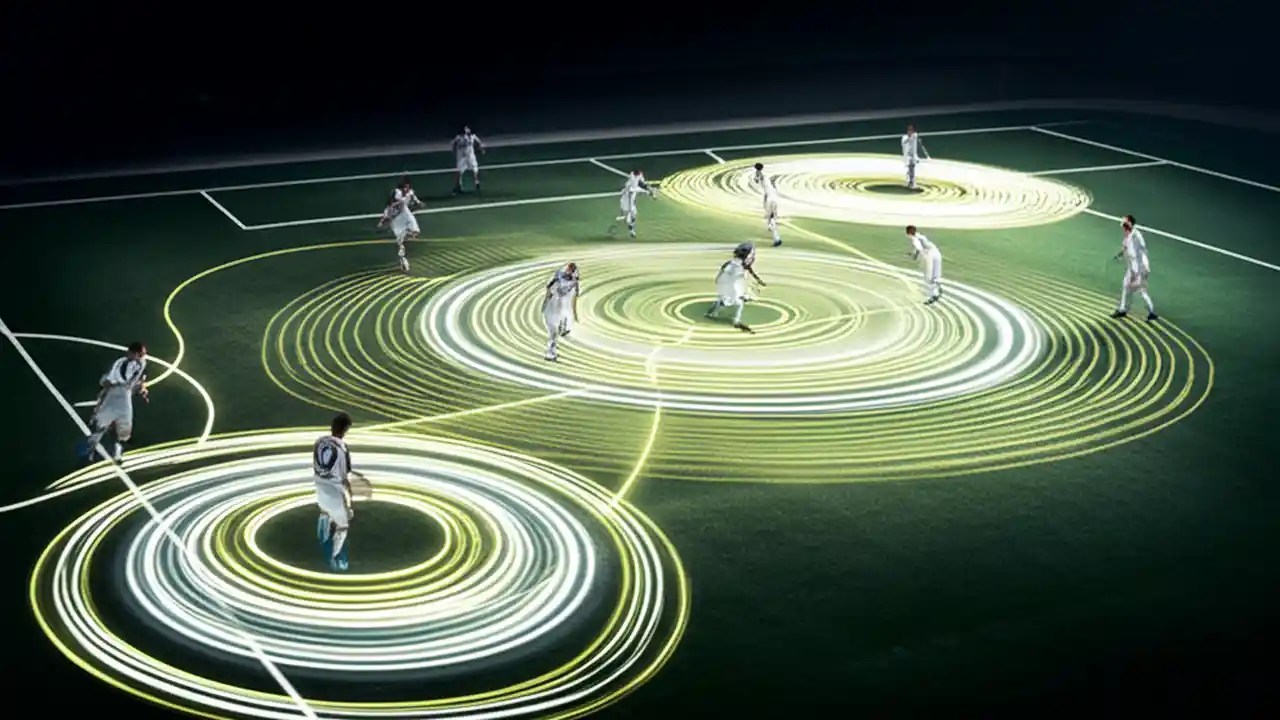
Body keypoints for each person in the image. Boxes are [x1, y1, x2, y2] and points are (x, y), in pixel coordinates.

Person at [81, 341, 148, 462]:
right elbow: (110, 383)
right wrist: (99, 402)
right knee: (101, 425)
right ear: (133, 353)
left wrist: (141, 386)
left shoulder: (141, 362)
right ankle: (89, 449)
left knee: (124, 429)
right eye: (140, 355)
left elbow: (136, 378)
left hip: (125, 398)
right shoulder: (120, 365)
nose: (142, 358)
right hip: (114, 396)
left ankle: (118, 452)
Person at [314, 412, 356, 572]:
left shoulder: (319, 442)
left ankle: (323, 531)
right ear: (345, 430)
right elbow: (345, 479)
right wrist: (351, 502)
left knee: (325, 511)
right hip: (334, 491)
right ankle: (333, 557)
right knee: (343, 525)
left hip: (320, 487)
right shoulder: (343, 448)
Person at [1112, 214, 1157, 321]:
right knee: (1125, 285)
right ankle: (1122, 309)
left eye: (1125, 224)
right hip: (1132, 267)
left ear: (1130, 224)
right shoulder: (1128, 235)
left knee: (1141, 291)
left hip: (1140, 268)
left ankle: (1151, 312)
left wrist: (1142, 271)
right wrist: (1120, 254)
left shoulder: (1136, 236)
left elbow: (1142, 250)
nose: (1123, 227)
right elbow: (1125, 247)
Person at [705, 244, 756, 332]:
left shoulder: (736, 264)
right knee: (736, 303)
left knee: (732, 301)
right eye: (750, 254)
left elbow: (723, 272)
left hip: (729, 286)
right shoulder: (737, 265)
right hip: (730, 288)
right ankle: (734, 320)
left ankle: (713, 312)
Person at [376, 176, 422, 272]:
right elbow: (388, 210)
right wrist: (382, 222)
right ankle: (403, 260)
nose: (406, 189)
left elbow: (414, 198)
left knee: (416, 232)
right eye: (405, 187)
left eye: (407, 187)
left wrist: (418, 203)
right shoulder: (396, 196)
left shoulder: (409, 192)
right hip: (396, 220)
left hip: (405, 214)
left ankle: (406, 238)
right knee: (400, 242)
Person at [543, 262, 580, 361]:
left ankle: (551, 351)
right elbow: (574, 298)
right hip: (558, 304)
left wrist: (546, 300)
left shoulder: (560, 275)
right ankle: (551, 352)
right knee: (554, 329)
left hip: (556, 304)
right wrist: (575, 314)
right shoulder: (573, 280)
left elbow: (549, 287)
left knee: (553, 329)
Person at [609, 169, 656, 238]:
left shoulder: (633, 182)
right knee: (629, 218)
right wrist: (650, 193)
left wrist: (650, 192)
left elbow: (642, 185)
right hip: (626, 205)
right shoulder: (631, 187)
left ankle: (630, 227)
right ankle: (630, 228)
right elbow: (642, 189)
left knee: (633, 215)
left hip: (629, 203)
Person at [905, 225, 943, 304]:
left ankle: (933, 295)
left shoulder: (914, 238)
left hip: (930, 255)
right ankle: (937, 290)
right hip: (937, 252)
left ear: (908, 233)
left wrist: (914, 257)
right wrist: (913, 253)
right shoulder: (920, 235)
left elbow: (919, 249)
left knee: (928, 277)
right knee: (936, 274)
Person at [751, 163, 782, 246]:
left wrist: (757, 171)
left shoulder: (763, 178)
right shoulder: (772, 186)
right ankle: (775, 236)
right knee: (772, 219)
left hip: (770, 200)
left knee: (770, 220)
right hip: (775, 200)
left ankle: (776, 237)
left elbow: (758, 178)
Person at [452, 126, 485, 194]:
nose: (466, 131)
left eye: (467, 129)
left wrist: (481, 149)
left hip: (470, 157)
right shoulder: (459, 137)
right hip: (461, 157)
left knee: (475, 169)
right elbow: (454, 144)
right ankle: (458, 186)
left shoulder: (472, 136)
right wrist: (454, 150)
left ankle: (477, 183)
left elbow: (479, 143)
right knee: (459, 171)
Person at [901, 124, 930, 190]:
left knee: (911, 169)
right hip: (908, 156)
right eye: (909, 130)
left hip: (913, 156)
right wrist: (911, 138)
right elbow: (905, 143)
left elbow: (919, 145)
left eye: (911, 130)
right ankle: (911, 183)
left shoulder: (915, 136)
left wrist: (926, 155)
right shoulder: (904, 137)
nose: (910, 131)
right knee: (911, 168)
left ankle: (910, 182)